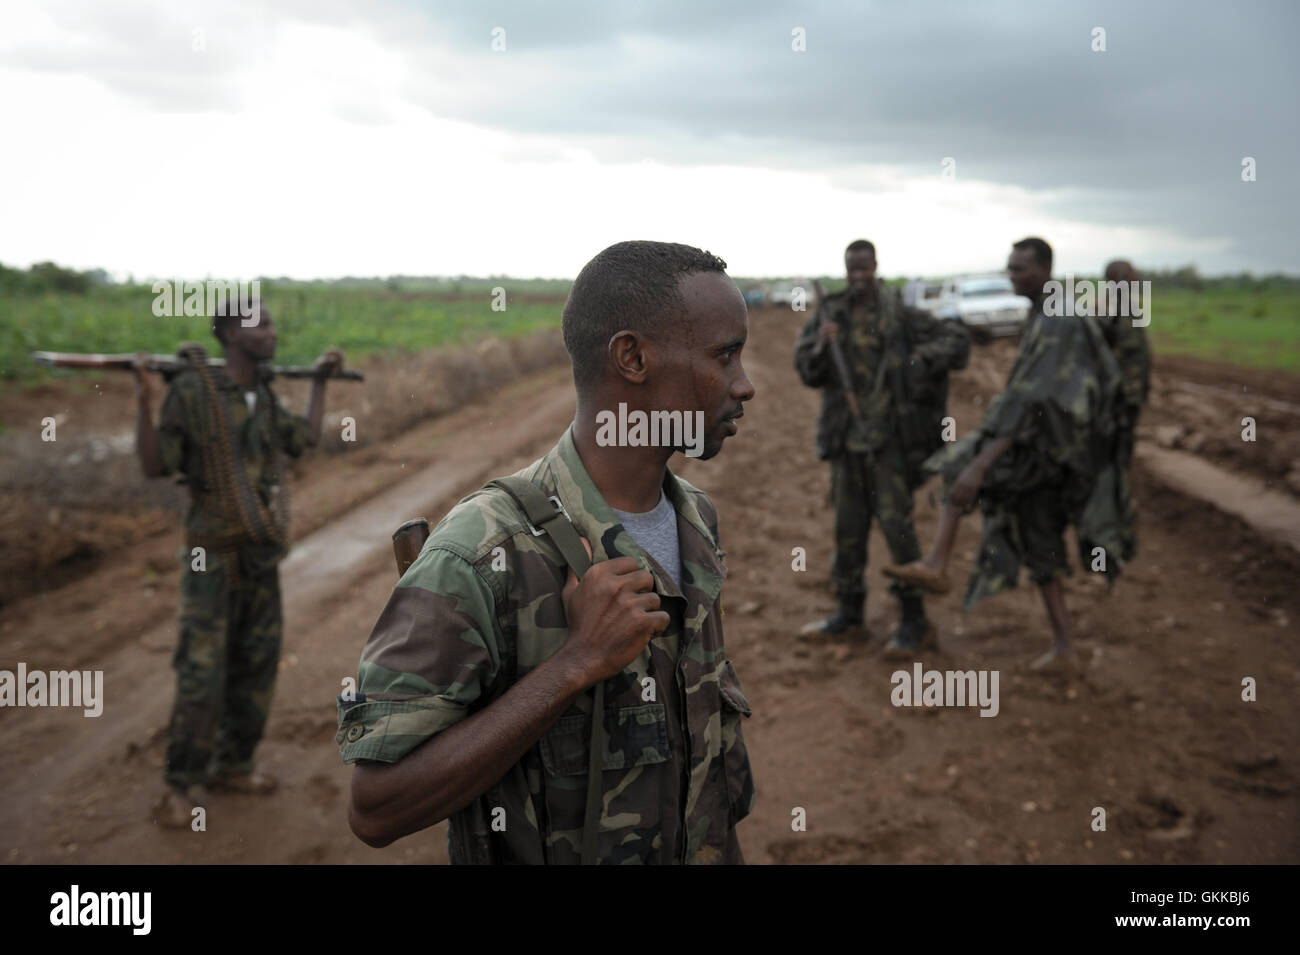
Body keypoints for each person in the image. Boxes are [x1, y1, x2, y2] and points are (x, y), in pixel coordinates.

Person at [338, 240, 758, 864]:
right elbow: (376, 808)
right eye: (724, 356)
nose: (744, 386)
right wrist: (575, 665)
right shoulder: (481, 553)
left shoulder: (694, 517)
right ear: (632, 357)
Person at [134, 299, 342, 827]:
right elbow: (156, 464)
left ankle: (234, 763)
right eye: (261, 324)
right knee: (202, 670)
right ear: (228, 332)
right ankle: (181, 784)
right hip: (210, 556)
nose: (273, 331)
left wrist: (319, 383)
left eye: (273, 321)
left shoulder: (265, 396)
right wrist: (143, 397)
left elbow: (306, 439)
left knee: (256, 662)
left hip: (259, 554)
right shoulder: (192, 392)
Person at [883, 237, 1123, 670]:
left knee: (963, 472)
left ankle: (937, 563)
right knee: (1039, 540)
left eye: (1021, 269)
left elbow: (1034, 400)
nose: (1013, 275)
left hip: (1053, 452)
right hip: (1049, 451)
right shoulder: (1047, 311)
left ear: (1045, 270)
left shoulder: (1057, 317)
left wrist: (983, 463)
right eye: (1010, 268)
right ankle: (1065, 648)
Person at [793, 239, 970, 657]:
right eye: (851, 270)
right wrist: (821, 344)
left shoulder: (899, 314)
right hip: (846, 443)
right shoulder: (830, 313)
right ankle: (849, 615)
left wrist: (920, 360)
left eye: (864, 269)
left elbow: (957, 343)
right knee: (847, 531)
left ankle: (914, 621)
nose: (858, 277)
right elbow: (806, 370)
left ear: (875, 266)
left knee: (898, 529)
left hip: (891, 442)